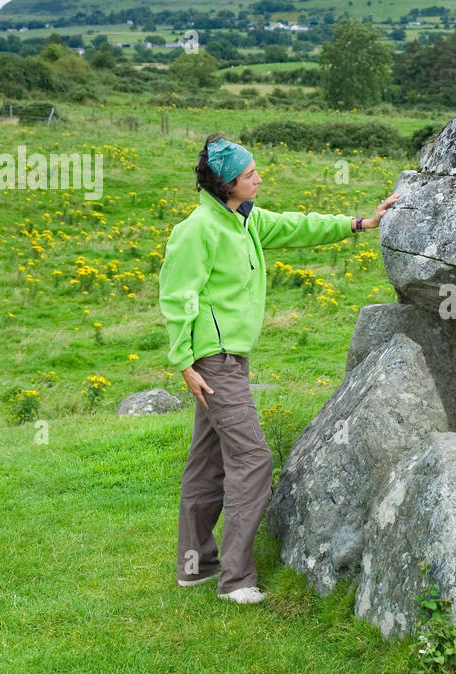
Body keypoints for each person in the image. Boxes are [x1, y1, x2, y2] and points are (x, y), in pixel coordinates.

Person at [158, 134, 399, 603]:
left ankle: (195, 566)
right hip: (214, 362)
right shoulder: (198, 230)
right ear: (228, 184)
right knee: (252, 459)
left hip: (230, 360)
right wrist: (184, 363)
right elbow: (177, 297)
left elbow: (297, 226)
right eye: (251, 174)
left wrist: (361, 223)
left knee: (207, 463)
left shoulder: (245, 221)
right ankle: (235, 580)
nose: (259, 178)